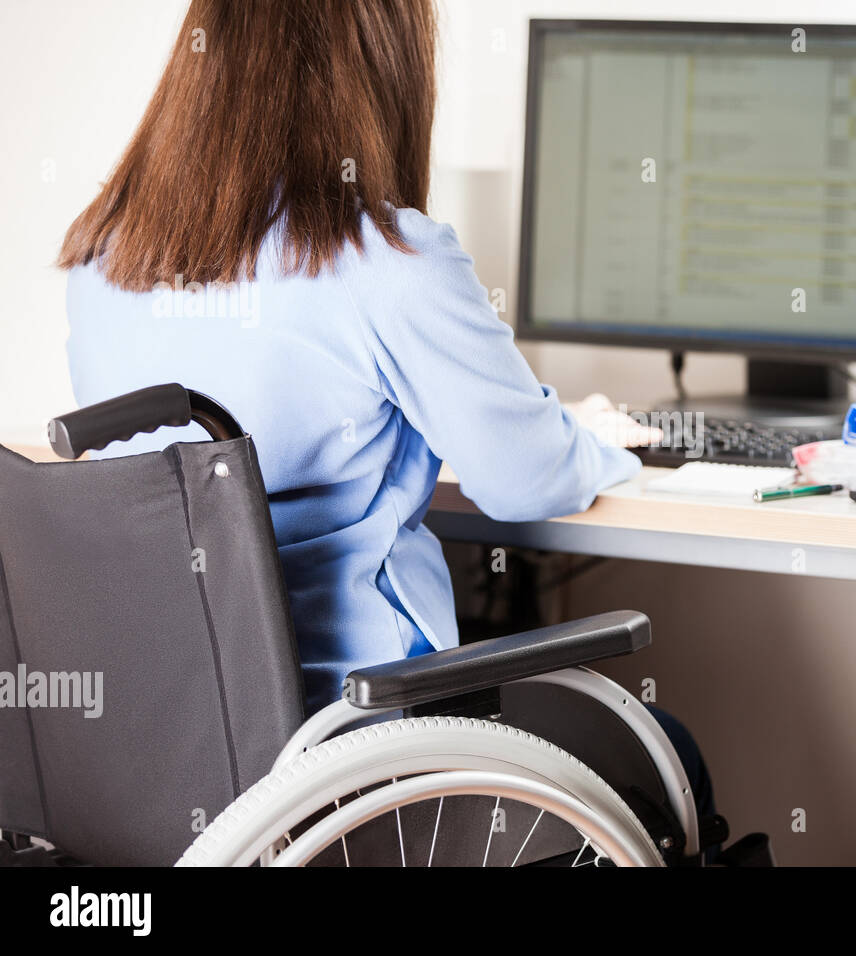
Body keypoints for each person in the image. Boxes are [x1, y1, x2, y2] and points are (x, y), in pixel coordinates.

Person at [55, 0, 718, 827]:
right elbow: (524, 480)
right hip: (356, 744)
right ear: (385, 65)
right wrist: (591, 440)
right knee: (672, 749)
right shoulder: (384, 260)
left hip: (170, 754)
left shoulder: (103, 258)